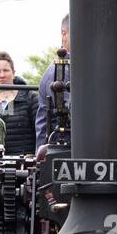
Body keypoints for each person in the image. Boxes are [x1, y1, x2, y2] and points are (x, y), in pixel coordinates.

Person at [35, 13, 71, 149]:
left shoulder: (70, 68)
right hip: (59, 147)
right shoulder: (61, 71)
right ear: (64, 34)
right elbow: (71, 114)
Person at [0, 55, 37, 155]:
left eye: (6, 70)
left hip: (24, 160)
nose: (2, 75)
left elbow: (41, 131)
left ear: (13, 73)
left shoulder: (30, 97)